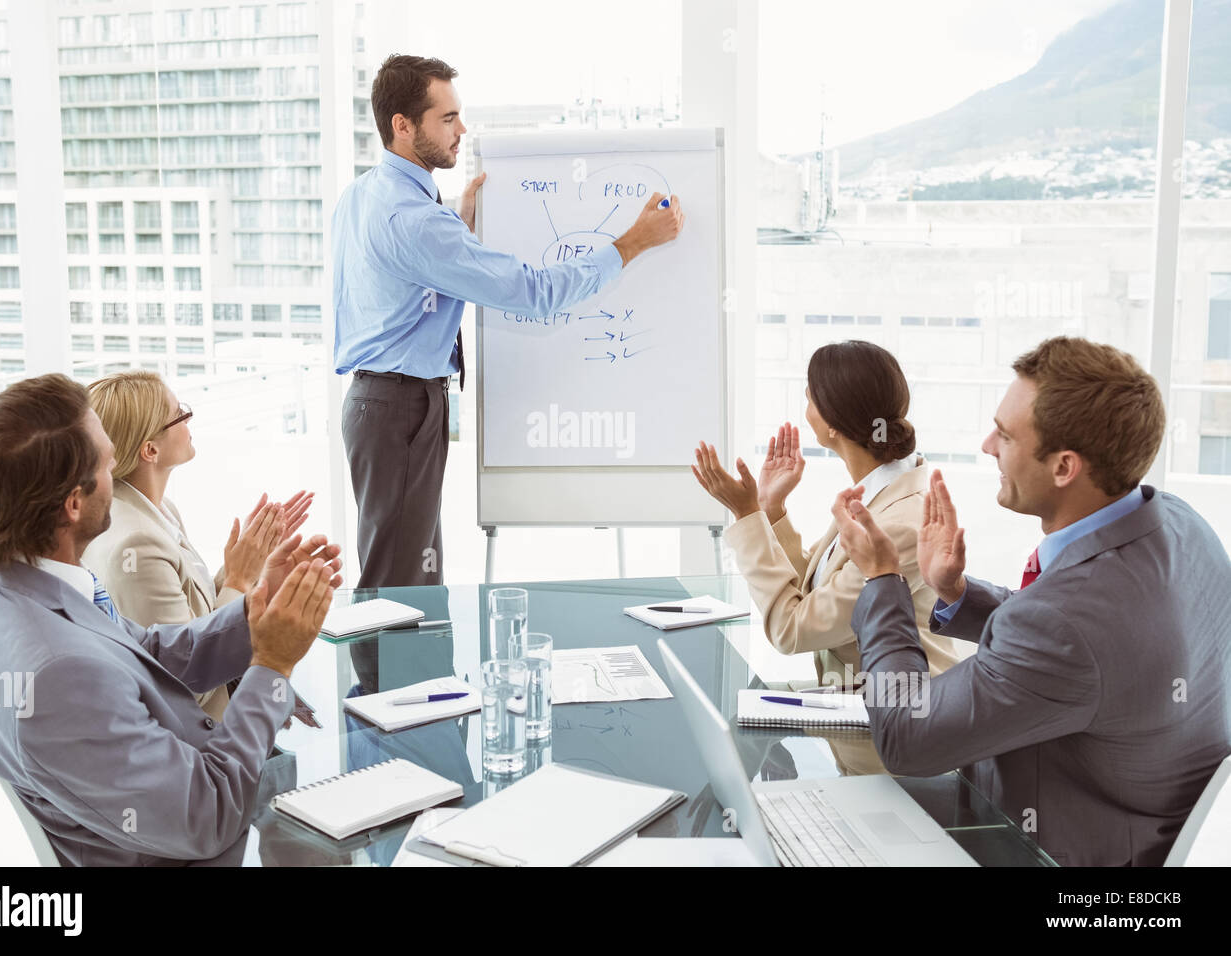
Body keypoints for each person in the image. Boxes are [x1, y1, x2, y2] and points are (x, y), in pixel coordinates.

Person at [832, 336, 1231, 866]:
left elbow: (907, 738)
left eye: (1004, 434)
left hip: (1045, 849)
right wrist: (956, 591)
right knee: (838, 807)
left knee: (826, 814)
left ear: (1065, 467)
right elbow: (1086, 641)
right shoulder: (1180, 523)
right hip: (1121, 826)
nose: (986, 446)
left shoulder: (1064, 622)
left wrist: (884, 580)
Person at [0, 374, 343, 865]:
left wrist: (251, 616)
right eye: (110, 466)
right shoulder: (58, 677)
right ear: (74, 503)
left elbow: (143, 652)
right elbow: (209, 817)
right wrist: (273, 666)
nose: (120, 477)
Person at [332, 54, 684, 588]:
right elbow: (535, 294)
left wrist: (459, 223)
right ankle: (391, 677)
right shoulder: (418, 222)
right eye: (446, 118)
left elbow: (397, 284)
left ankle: (400, 674)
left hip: (377, 405)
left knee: (403, 574)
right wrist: (633, 242)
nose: (461, 130)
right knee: (402, 587)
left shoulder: (361, 196)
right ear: (403, 126)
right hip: (401, 409)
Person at [692, 340, 964, 691]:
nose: (805, 409)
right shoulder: (879, 494)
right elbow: (819, 591)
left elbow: (792, 630)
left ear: (834, 423)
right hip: (856, 698)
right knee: (738, 703)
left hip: (901, 720)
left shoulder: (898, 525)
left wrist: (747, 514)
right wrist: (771, 510)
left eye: (809, 398)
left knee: (731, 705)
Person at [83, 370, 313, 721]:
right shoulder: (137, 543)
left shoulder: (154, 509)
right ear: (150, 450)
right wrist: (238, 579)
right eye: (180, 413)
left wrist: (250, 563)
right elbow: (189, 684)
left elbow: (193, 617)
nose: (189, 418)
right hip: (203, 744)